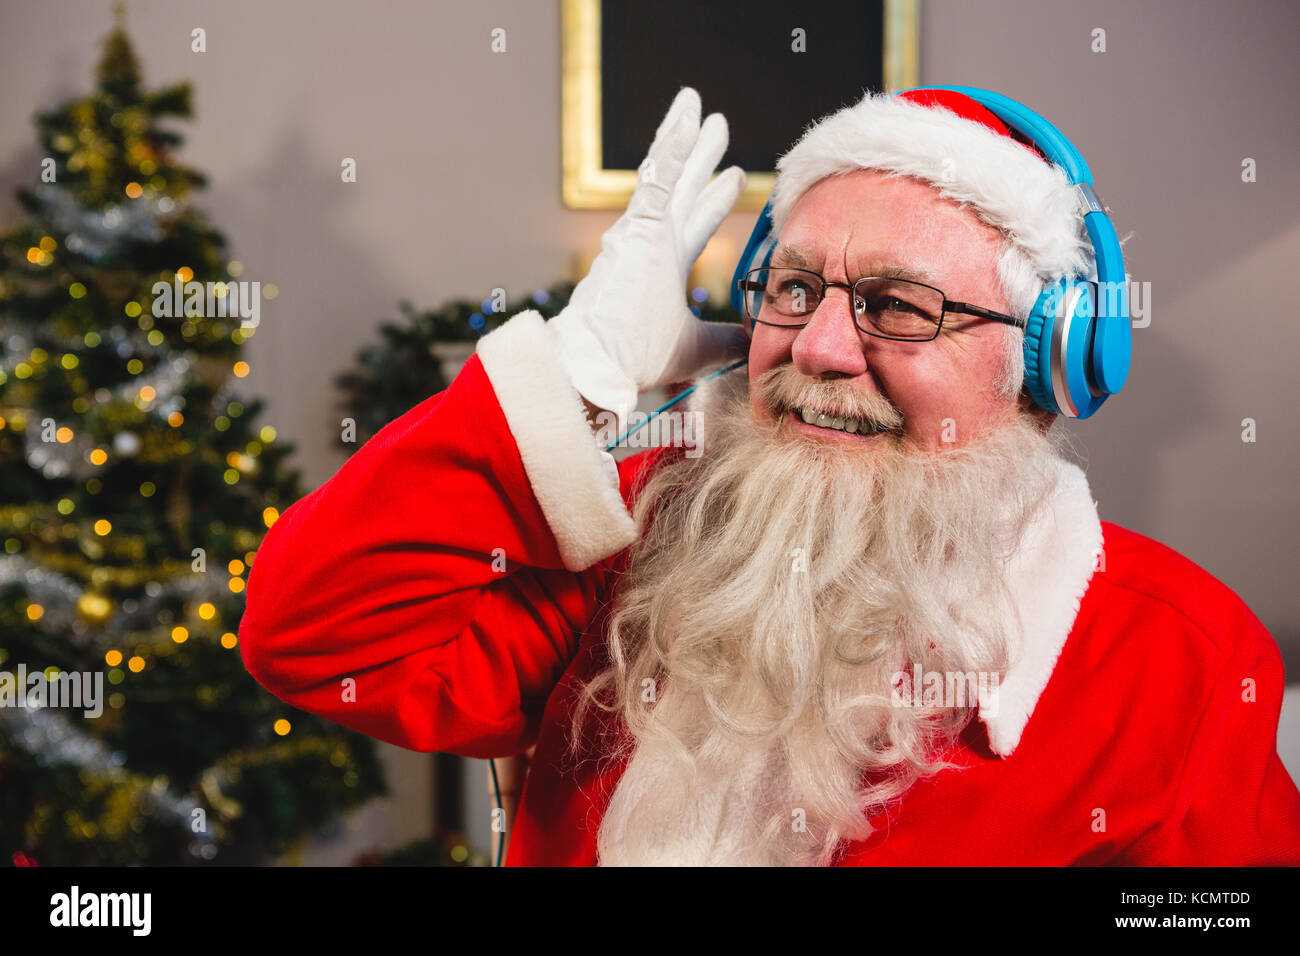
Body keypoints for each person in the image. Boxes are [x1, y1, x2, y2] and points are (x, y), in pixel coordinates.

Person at [238, 86, 1300, 865]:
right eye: (793, 289)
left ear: (1047, 358)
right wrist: (578, 376)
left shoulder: (1179, 658)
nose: (821, 348)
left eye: (900, 305)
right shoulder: (642, 530)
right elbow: (315, 632)